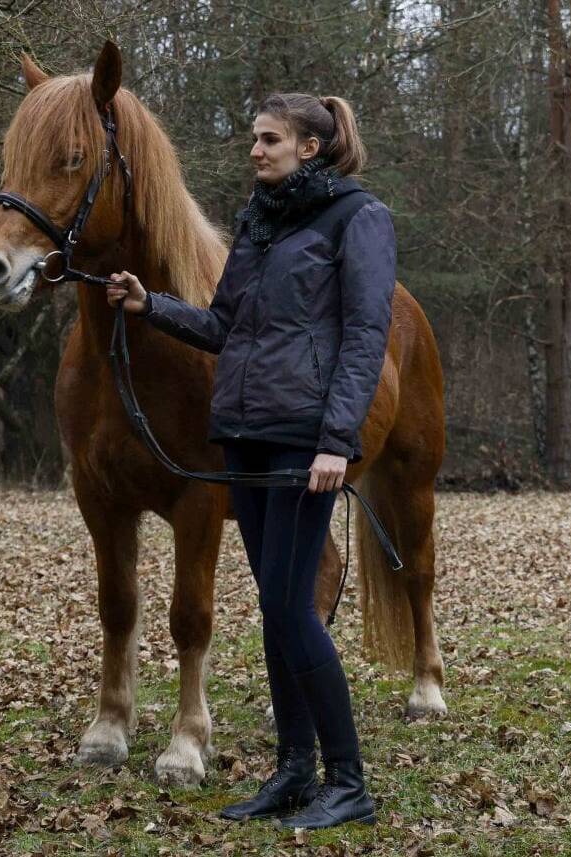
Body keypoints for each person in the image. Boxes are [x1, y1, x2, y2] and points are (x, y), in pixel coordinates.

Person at [105, 92, 396, 830]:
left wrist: (337, 439)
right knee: (273, 609)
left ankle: (349, 779)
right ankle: (295, 771)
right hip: (246, 433)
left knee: (294, 611)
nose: (256, 150)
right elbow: (224, 324)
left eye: (270, 139)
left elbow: (365, 334)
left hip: (305, 439)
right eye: (254, 140)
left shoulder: (357, 217)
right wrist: (152, 306)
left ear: (311, 147)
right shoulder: (261, 223)